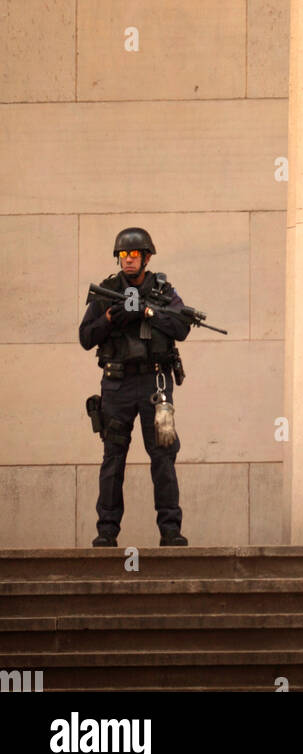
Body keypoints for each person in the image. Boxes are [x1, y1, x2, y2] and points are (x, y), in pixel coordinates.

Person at [80, 227, 191, 544]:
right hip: (116, 385)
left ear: (147, 258)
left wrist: (146, 311)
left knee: (163, 458)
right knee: (113, 458)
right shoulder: (106, 291)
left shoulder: (162, 290)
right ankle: (106, 533)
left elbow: (181, 327)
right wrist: (111, 319)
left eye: (134, 255)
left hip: (154, 384)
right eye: (123, 255)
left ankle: (171, 532)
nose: (128, 260)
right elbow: (86, 337)